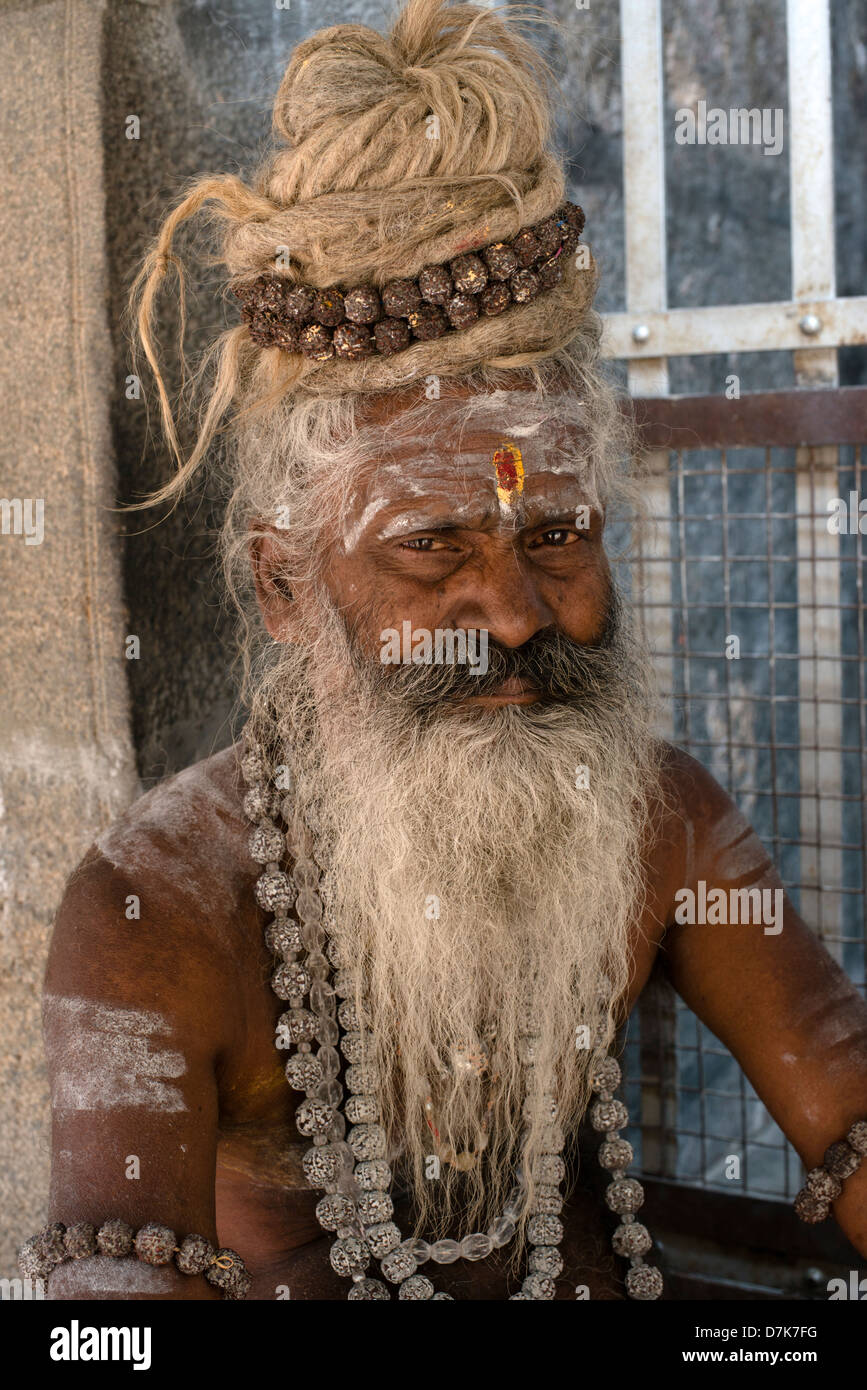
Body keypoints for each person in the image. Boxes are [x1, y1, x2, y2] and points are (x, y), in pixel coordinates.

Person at [24, 0, 867, 1301]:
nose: (519, 612)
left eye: (558, 534)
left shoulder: (664, 824)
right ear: (286, 583)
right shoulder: (152, 913)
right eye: (434, 545)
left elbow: (847, 1095)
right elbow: (94, 1332)